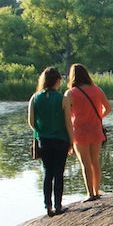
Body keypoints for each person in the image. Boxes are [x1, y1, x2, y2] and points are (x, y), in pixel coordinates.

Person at [64, 64, 111, 201]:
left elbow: (66, 116)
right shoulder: (97, 90)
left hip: (79, 131)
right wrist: (98, 118)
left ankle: (90, 193)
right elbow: (108, 108)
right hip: (95, 129)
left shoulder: (70, 93)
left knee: (85, 164)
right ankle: (97, 190)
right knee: (95, 161)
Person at [28, 67, 70, 217]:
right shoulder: (63, 99)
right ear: (57, 80)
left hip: (44, 140)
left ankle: (48, 206)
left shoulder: (35, 98)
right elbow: (68, 124)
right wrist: (71, 140)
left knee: (47, 172)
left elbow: (31, 122)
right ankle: (59, 205)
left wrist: (42, 130)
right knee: (59, 173)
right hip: (61, 140)